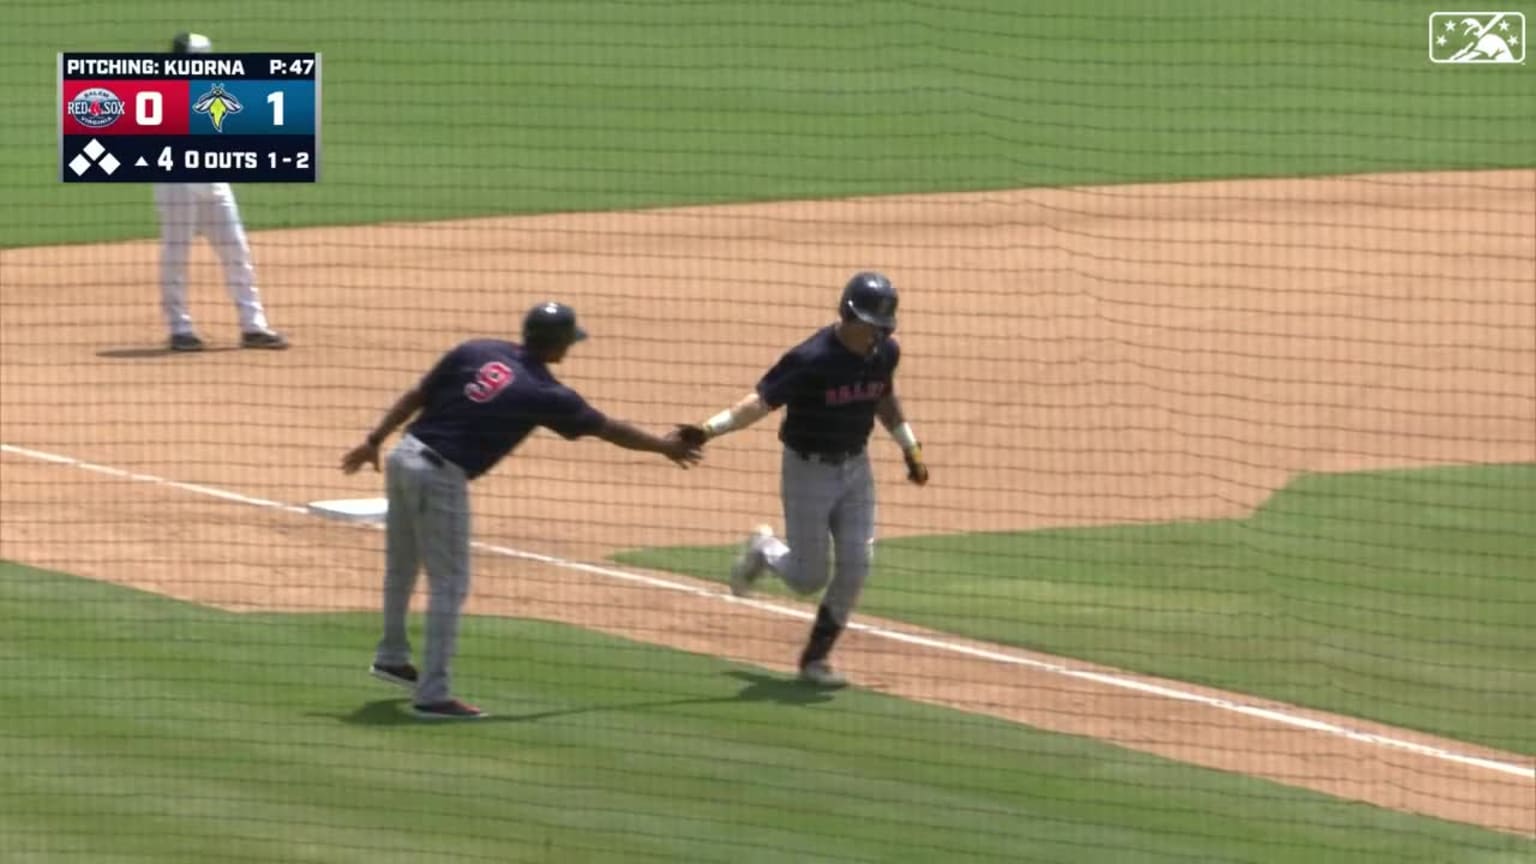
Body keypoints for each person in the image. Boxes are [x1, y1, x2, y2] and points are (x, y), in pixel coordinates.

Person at [341, 302, 702, 719]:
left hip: (404, 455)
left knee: (402, 566)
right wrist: (665, 447)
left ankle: (391, 656)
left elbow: (417, 396)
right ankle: (432, 695)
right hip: (439, 476)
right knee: (450, 583)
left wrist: (374, 440)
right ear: (560, 343)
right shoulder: (546, 393)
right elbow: (608, 429)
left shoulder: (476, 350)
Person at [679, 272, 929, 687]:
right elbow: (758, 404)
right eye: (872, 326)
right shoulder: (812, 359)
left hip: (856, 470)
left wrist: (910, 446)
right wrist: (707, 429)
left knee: (858, 563)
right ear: (849, 314)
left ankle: (815, 660)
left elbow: (883, 397)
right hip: (807, 472)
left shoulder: (884, 354)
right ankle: (763, 548)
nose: (877, 335)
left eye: (883, 327)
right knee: (807, 578)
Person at [157, 32, 287, 352]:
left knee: (237, 251)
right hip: (177, 184)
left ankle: (253, 326)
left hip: (215, 183)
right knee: (176, 254)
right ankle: (180, 328)